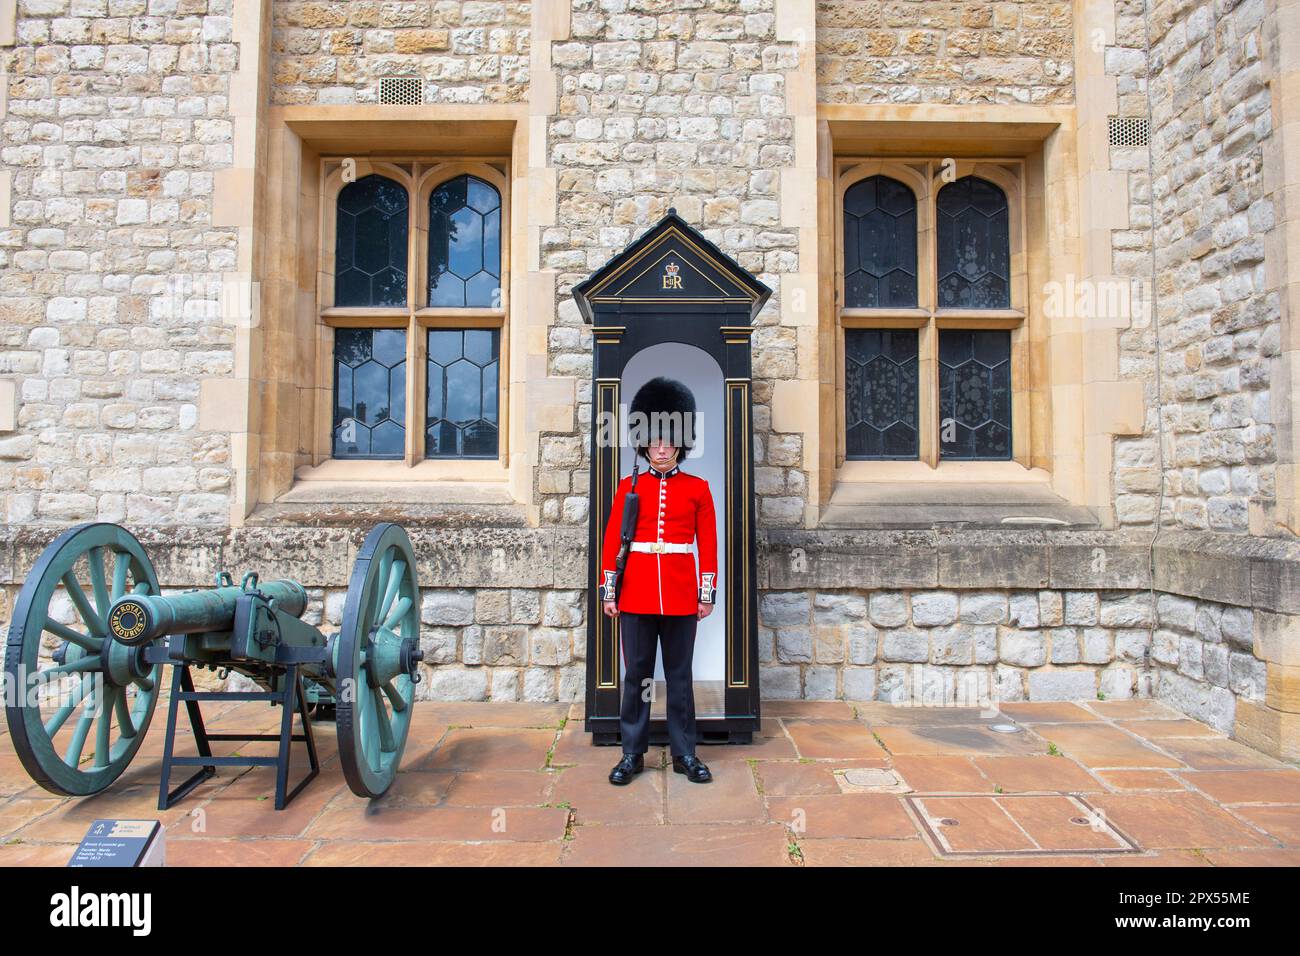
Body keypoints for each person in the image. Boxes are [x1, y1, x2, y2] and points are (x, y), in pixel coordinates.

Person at [600, 376, 718, 785]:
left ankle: (686, 753)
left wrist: (706, 594)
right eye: (655, 441)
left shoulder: (698, 489)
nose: (662, 448)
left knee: (680, 678)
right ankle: (632, 753)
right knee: (638, 677)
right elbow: (613, 540)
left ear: (679, 445)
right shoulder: (627, 488)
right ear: (645, 443)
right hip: (635, 594)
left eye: (669, 442)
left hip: (682, 596)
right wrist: (609, 590)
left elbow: (707, 544)